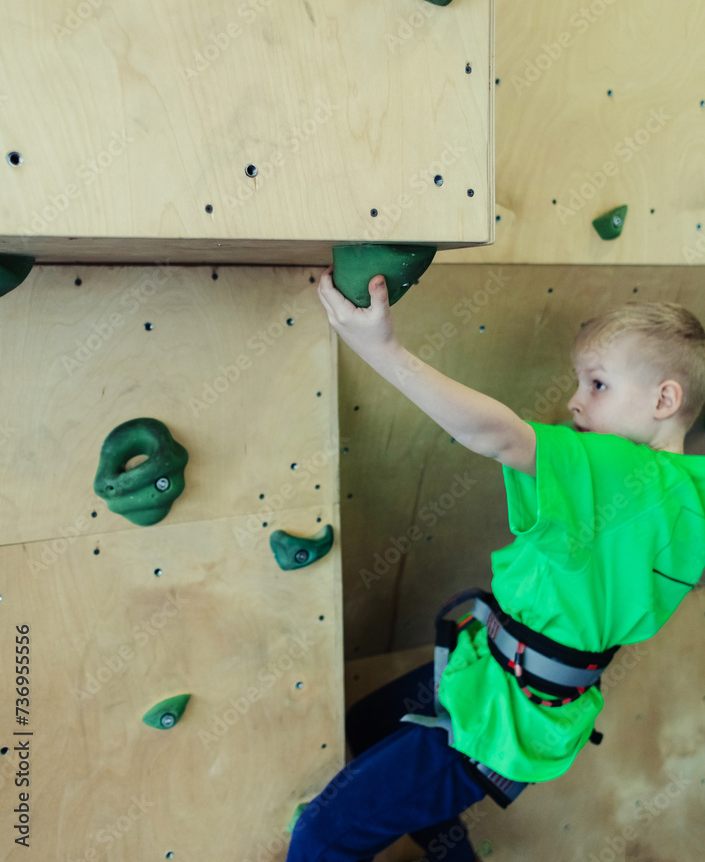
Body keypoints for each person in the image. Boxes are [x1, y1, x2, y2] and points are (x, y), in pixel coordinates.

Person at [285, 270, 705, 862]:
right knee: (374, 719)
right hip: (508, 684)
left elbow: (499, 437)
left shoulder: (629, 475)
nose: (575, 400)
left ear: (665, 399)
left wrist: (382, 348)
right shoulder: (691, 488)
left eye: (599, 384)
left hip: (501, 716)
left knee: (320, 836)